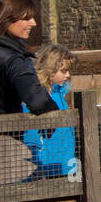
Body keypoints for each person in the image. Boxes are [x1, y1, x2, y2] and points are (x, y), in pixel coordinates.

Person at [21, 44, 77, 179]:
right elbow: (31, 134)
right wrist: (36, 161)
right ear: (50, 69)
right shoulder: (35, 97)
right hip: (42, 166)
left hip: (65, 163)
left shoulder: (60, 92)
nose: (68, 75)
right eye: (63, 71)